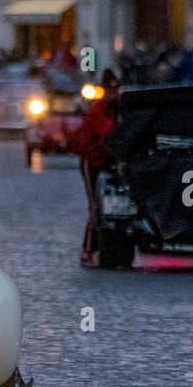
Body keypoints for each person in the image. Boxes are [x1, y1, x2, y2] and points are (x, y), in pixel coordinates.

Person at [71, 69, 121, 266]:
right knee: (94, 207)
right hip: (91, 162)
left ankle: (97, 248)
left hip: (101, 162)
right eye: (112, 91)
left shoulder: (109, 109)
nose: (114, 95)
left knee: (102, 207)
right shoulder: (99, 111)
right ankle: (88, 250)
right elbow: (107, 133)